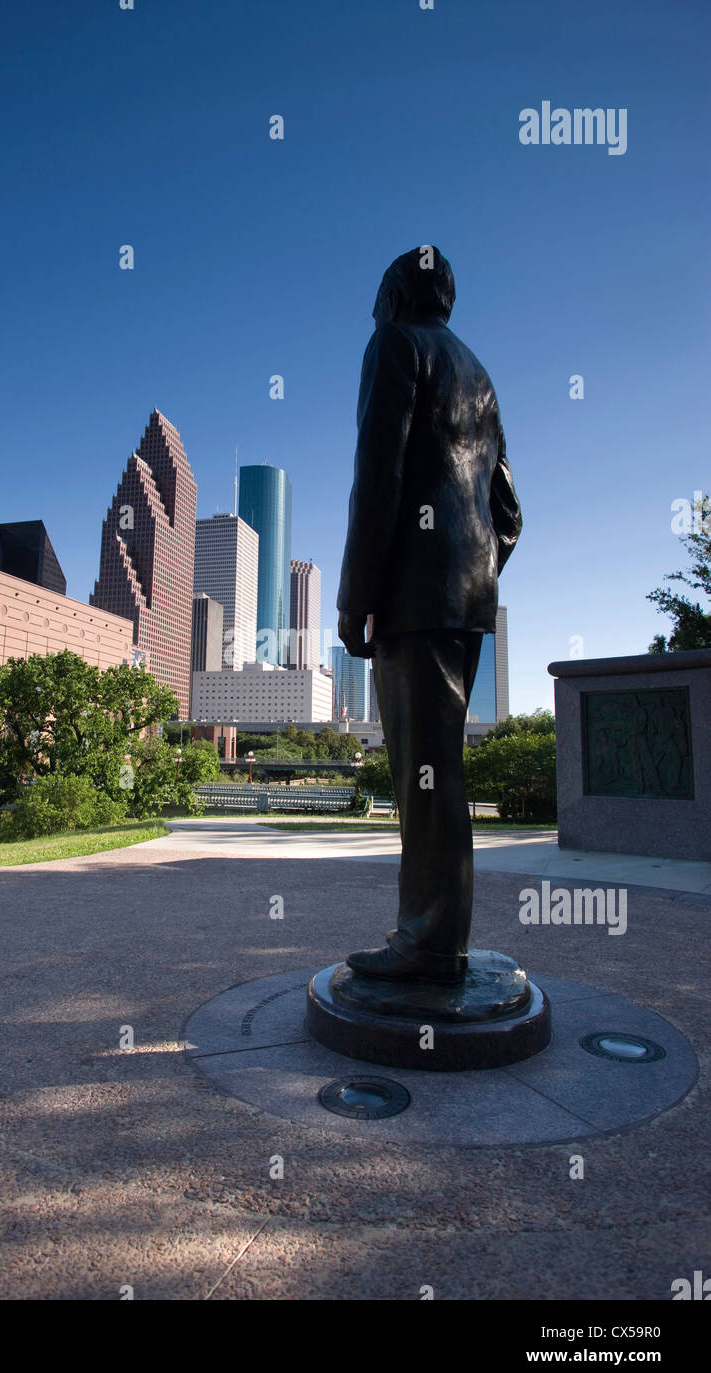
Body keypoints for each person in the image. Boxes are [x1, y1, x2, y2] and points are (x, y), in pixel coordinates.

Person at [337, 246, 522, 984]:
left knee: (423, 771)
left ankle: (428, 943)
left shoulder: (395, 345)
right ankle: (438, 939)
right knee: (440, 771)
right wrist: (470, 569)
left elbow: (377, 477)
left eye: (377, 295)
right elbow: (508, 512)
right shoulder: (478, 372)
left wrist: (357, 601)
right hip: (464, 594)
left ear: (394, 295)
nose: (372, 310)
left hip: (414, 597)